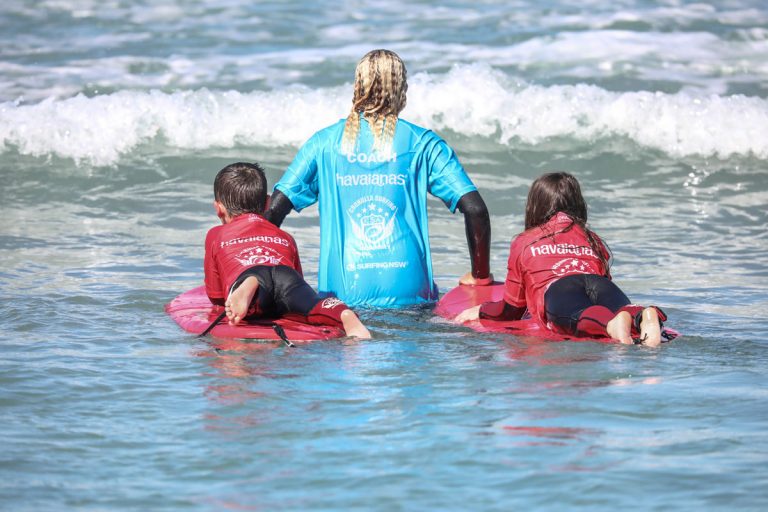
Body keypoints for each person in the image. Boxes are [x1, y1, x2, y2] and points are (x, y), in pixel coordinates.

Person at [265, 49, 492, 307]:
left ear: (357, 86)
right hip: (411, 292)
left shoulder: (323, 143)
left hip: (342, 295)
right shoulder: (423, 142)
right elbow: (476, 209)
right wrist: (480, 277)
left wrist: (261, 278)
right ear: (401, 88)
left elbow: (274, 212)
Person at [455, 172, 668, 346]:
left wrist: (482, 310)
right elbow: (601, 285)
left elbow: (511, 309)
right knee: (620, 310)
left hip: (560, 288)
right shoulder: (592, 239)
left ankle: (611, 325)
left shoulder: (524, 241)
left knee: (578, 315)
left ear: (535, 207)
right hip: (601, 284)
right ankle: (643, 315)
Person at [204, 162, 370, 339]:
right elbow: (298, 280)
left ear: (218, 208)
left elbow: (216, 297)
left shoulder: (216, 234)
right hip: (286, 276)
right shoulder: (285, 237)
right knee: (311, 305)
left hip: (250, 276)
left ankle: (251, 283)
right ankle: (342, 314)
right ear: (268, 203)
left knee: (250, 302)